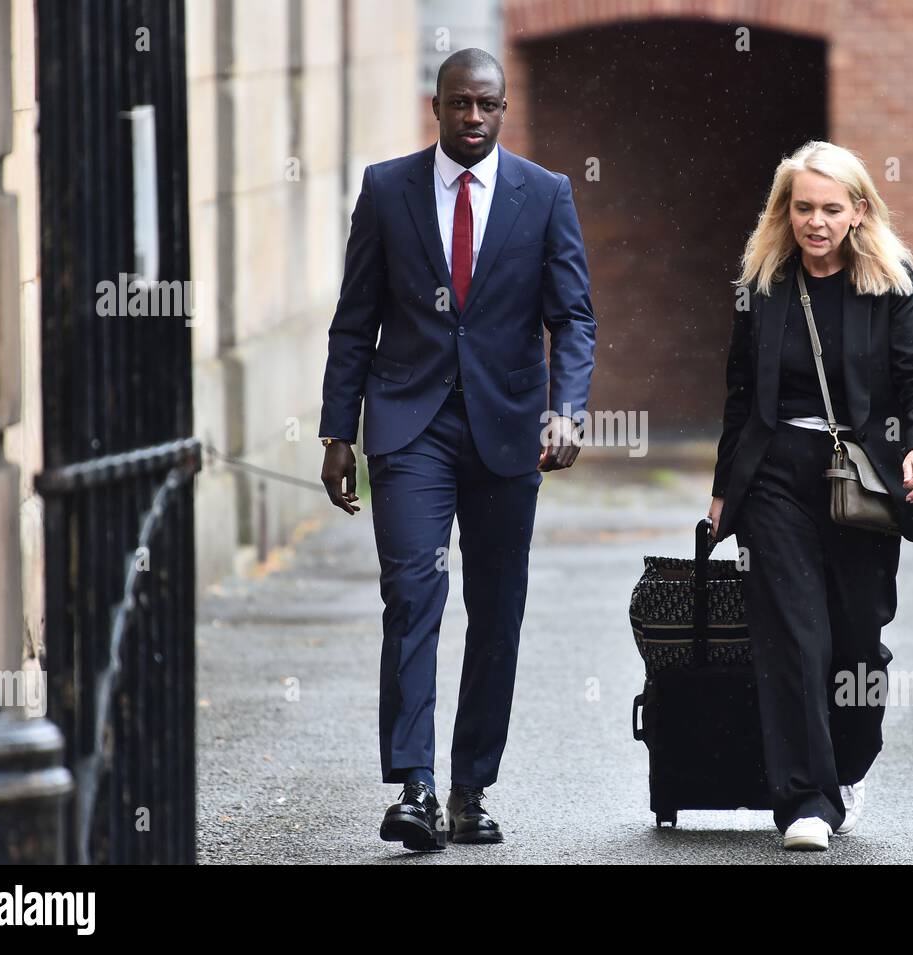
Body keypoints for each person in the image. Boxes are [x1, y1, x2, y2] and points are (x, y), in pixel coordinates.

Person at [318, 48, 596, 851]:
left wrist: (566, 410)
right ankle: (415, 784)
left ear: (503, 110)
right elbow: (353, 319)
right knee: (411, 594)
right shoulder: (387, 189)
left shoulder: (543, 196)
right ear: (433, 108)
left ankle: (471, 786)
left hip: (509, 433)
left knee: (497, 611)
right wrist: (340, 431)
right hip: (410, 428)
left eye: (488, 105)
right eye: (460, 104)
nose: (474, 118)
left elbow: (573, 316)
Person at [707, 139, 913, 851]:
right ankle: (807, 800)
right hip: (777, 473)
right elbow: (741, 395)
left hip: (863, 476)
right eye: (803, 207)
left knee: (856, 642)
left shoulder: (890, 283)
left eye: (830, 208)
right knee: (792, 636)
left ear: (858, 210)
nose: (815, 221)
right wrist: (724, 493)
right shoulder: (765, 283)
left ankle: (847, 763)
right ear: (786, 209)